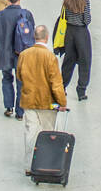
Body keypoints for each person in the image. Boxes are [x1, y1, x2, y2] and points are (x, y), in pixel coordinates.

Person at [18, 24, 67, 160]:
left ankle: (29, 165)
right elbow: (56, 84)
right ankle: (45, 162)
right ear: (46, 37)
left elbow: (19, 76)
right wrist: (62, 102)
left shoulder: (24, 55)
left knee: (30, 133)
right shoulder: (50, 57)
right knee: (48, 133)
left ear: (34, 37)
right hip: (47, 103)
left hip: (29, 100)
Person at [0, 0, 35, 118]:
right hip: (22, 54)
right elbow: (32, 35)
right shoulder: (26, 15)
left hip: (4, 54)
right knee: (22, 82)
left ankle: (9, 107)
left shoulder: (0, 16)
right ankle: (20, 112)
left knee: (7, 79)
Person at [58, 0, 93, 101]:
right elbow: (87, 20)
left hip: (69, 32)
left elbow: (64, 16)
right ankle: (81, 90)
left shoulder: (67, 0)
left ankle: (62, 86)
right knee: (85, 61)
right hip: (81, 32)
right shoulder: (85, 2)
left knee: (69, 60)